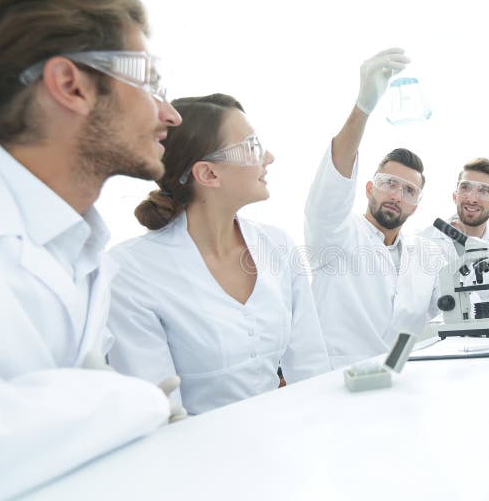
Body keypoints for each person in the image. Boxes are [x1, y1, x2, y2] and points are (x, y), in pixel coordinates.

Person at [0, 0, 184, 501]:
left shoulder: (77, 243)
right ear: (71, 85)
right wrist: (133, 401)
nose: (170, 114)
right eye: (149, 81)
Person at [106, 94, 331, 415]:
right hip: (193, 457)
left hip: (287, 441)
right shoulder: (130, 271)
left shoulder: (277, 245)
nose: (268, 157)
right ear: (208, 174)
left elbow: (311, 367)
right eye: (252, 147)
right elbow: (157, 410)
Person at [305, 48, 443, 368]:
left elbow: (452, 306)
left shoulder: (427, 255)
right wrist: (363, 107)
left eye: (409, 190)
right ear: (369, 188)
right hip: (333, 381)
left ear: (415, 206)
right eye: (389, 183)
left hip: (398, 381)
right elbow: (332, 186)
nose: (397, 194)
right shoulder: (336, 235)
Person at [418, 158, 489, 317]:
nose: (472, 198)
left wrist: (468, 308)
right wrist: (482, 307)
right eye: (465, 188)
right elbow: (426, 307)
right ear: (455, 196)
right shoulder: (425, 241)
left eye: (484, 191)